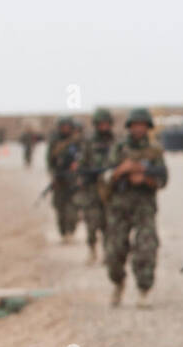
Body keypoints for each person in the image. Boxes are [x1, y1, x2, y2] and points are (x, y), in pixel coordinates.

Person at [102, 108, 167, 309]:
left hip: (144, 207)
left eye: (143, 125)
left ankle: (143, 289)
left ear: (148, 127)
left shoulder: (155, 150)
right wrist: (121, 171)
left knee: (146, 248)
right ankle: (118, 282)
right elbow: (104, 177)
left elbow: (163, 179)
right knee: (114, 250)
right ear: (130, 127)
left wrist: (145, 178)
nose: (139, 128)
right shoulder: (118, 149)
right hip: (119, 207)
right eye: (135, 125)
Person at [76, 108, 115, 265]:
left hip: (109, 189)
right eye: (101, 124)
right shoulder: (89, 142)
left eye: (106, 123)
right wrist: (85, 175)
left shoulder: (116, 142)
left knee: (108, 223)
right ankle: (92, 250)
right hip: (92, 189)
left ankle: (107, 253)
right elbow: (81, 164)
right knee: (92, 222)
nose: (104, 126)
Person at [45, 116, 81, 242]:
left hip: (73, 180)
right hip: (59, 179)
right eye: (63, 127)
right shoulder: (55, 142)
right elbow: (49, 161)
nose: (65, 129)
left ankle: (71, 230)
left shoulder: (77, 141)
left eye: (67, 127)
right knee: (60, 208)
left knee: (73, 208)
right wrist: (53, 176)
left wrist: (78, 168)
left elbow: (83, 158)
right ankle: (63, 232)